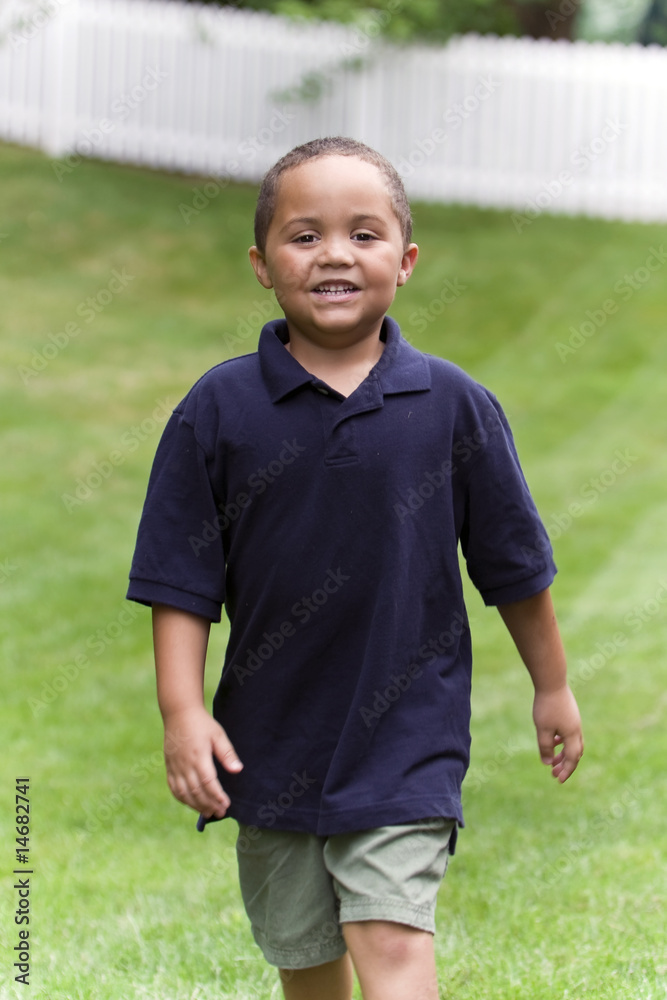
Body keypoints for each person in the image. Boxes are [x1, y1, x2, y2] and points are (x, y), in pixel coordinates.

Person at [127, 136, 584, 1000]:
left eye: (363, 234)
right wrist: (182, 712)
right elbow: (178, 584)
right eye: (304, 236)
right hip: (269, 744)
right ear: (261, 264)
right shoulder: (217, 411)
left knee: (391, 937)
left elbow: (514, 566)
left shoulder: (452, 406)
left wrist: (550, 685)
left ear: (405, 261)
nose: (335, 253)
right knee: (306, 961)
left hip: (407, 739)